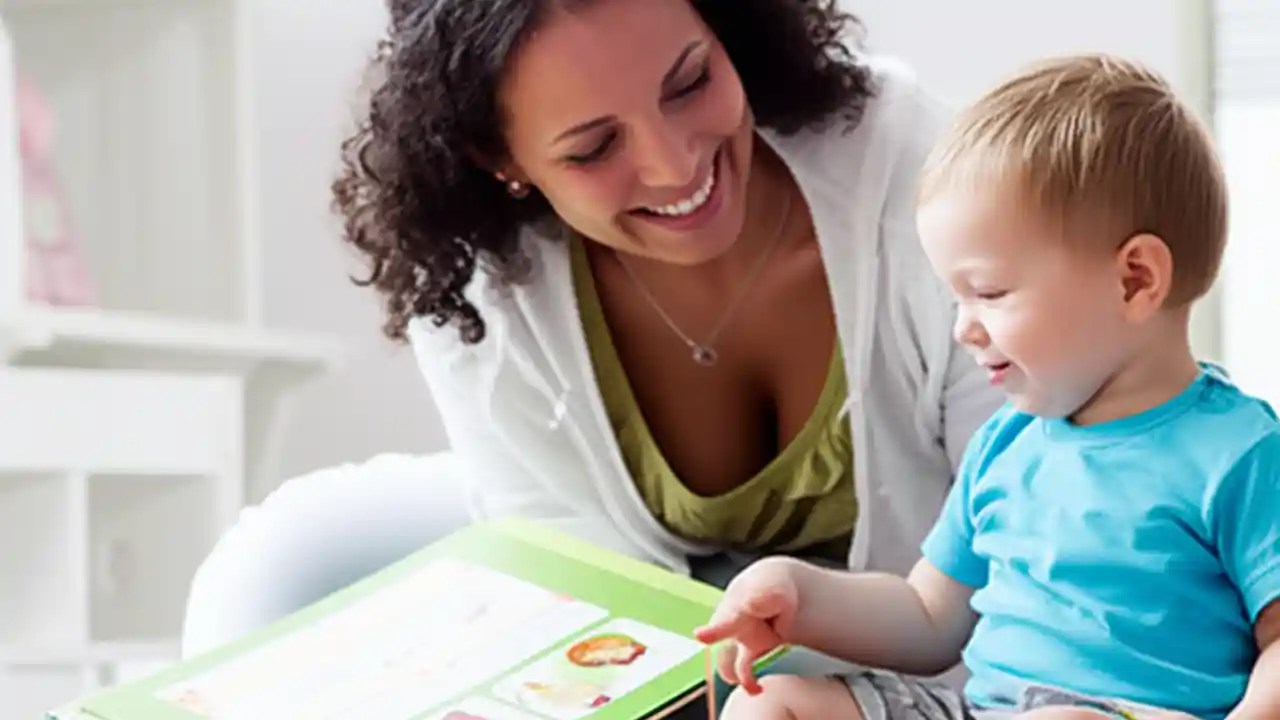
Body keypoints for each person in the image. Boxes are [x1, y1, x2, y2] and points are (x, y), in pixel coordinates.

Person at [181, 0, 1001, 673]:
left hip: (920, 595)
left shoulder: (931, 183)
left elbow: (1023, 549)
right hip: (635, 569)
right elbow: (589, 604)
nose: (674, 164)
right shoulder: (482, 289)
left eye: (690, 83)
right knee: (282, 562)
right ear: (502, 158)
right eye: (595, 147)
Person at [694, 54, 1280, 720]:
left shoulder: (1240, 454)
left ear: (1135, 280)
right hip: (981, 712)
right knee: (772, 704)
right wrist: (800, 595)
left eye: (990, 293)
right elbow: (927, 617)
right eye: (955, 299)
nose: (963, 330)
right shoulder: (1008, 445)